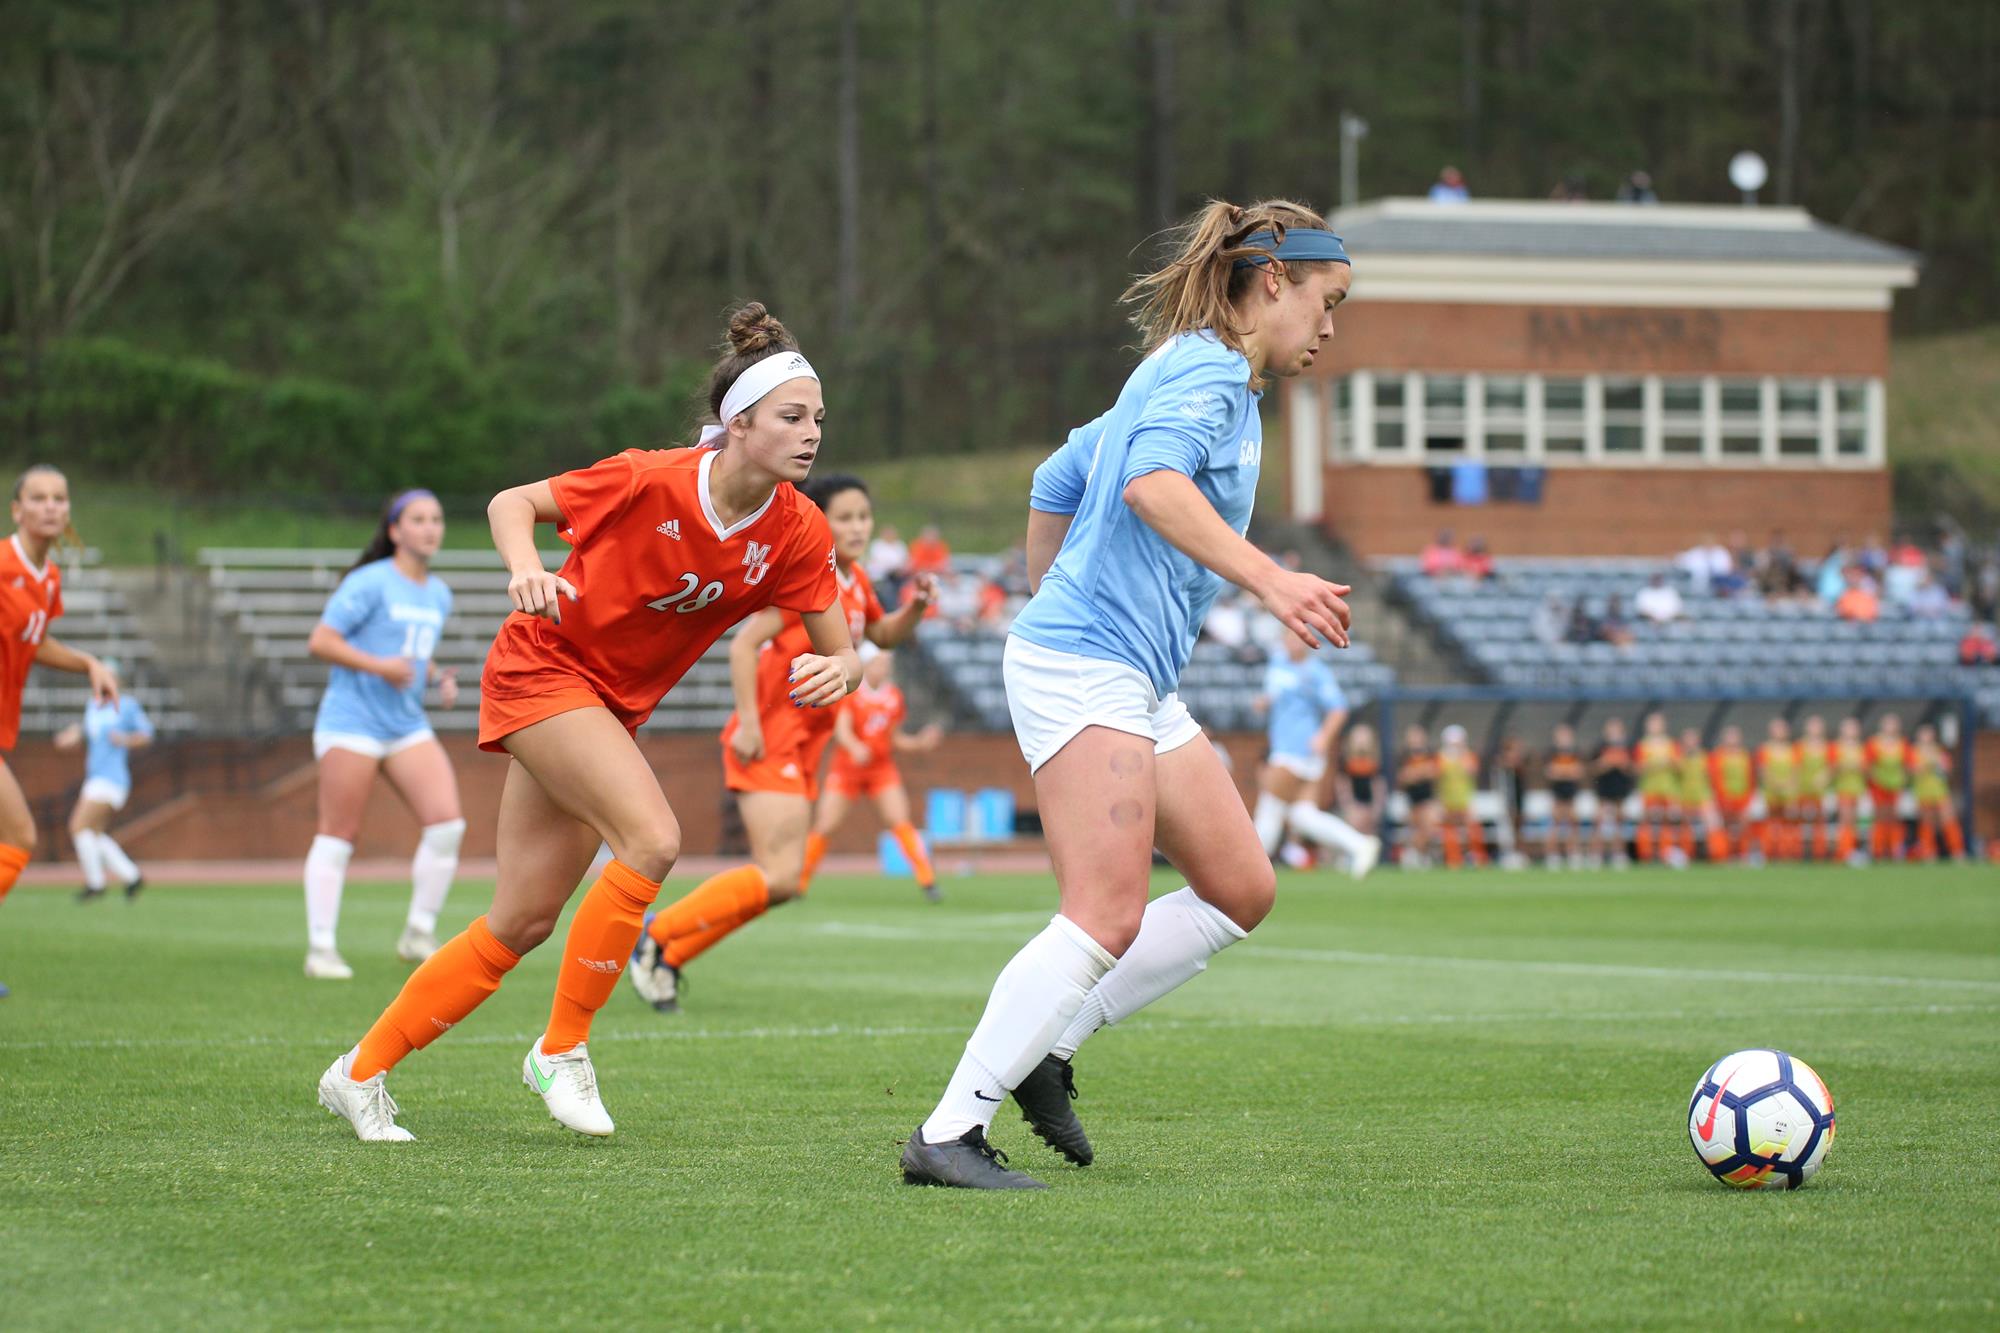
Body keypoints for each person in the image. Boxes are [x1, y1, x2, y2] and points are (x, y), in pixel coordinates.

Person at [315, 303, 857, 1142]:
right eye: (793, 417)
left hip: (606, 708)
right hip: (543, 670)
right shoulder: (648, 476)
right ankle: (561, 1051)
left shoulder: (796, 529)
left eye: (818, 418)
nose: (812, 432)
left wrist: (841, 668)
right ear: (738, 423)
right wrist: (526, 566)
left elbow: (841, 646)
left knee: (521, 920)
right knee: (652, 838)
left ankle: (356, 1072)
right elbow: (510, 502)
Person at [898, 199, 1355, 1188]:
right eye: (1327, 302)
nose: (1328, 328)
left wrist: (1051, 591)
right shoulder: (1203, 373)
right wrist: (1272, 580)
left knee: (1239, 886)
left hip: (1121, 669)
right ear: (1272, 281)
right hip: (1087, 664)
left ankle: (1045, 1050)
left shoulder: (1195, 374)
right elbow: (1148, 485)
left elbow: (1055, 475)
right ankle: (944, 1134)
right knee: (1100, 913)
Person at [628, 472, 937, 1014]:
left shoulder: (854, 579)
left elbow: (880, 635)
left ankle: (668, 954)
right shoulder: (802, 576)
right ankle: (657, 933)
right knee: (781, 876)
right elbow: (744, 645)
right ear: (819, 521)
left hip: (802, 745)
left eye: (864, 516)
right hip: (769, 737)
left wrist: (915, 608)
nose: (858, 526)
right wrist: (747, 721)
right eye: (845, 517)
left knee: (784, 884)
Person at [298, 490, 464, 978]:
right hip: (352, 722)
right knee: (338, 834)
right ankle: (321, 948)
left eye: (437, 519)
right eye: (418, 519)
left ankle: (418, 931)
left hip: (405, 723)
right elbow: (321, 640)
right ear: (395, 531)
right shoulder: (369, 582)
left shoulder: (439, 593)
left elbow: (411, 651)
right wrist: (379, 667)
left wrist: (436, 677)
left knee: (447, 824)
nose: (430, 528)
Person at [0, 465, 122, 999]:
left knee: (17, 838)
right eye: (38, 497)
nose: (50, 506)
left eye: (59, 498)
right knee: (21, 835)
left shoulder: (47, 578)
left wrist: (89, 663)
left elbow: (36, 640)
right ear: (17, 510)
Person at [799, 645, 944, 906]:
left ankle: (928, 881)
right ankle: (799, 884)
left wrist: (919, 743)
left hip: (880, 769)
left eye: (886, 662)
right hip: (847, 769)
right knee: (825, 825)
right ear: (866, 664)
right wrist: (855, 747)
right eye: (878, 662)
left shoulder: (894, 697)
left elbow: (895, 739)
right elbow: (841, 731)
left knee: (899, 820)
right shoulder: (852, 692)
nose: (883, 667)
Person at [1249, 629, 1380, 879]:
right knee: (1303, 816)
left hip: (1297, 749)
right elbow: (1276, 695)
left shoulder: (1315, 672)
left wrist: (1323, 737)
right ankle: (1360, 845)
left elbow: (1338, 709)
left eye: (1296, 638)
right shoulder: (1278, 663)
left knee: (1269, 807)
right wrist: (1265, 702)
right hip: (1284, 746)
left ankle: (1251, 872)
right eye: (1287, 637)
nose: (1290, 642)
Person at [54, 666, 153, 901]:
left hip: (112, 778)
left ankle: (96, 883)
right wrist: (73, 736)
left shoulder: (126, 705)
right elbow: (88, 733)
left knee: (78, 826)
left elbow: (147, 735)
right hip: (95, 775)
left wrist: (125, 739)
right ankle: (132, 876)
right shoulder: (94, 705)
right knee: (94, 833)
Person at [1908, 724, 1965, 863]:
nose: (1927, 737)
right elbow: (1912, 771)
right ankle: (1928, 853)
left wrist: (1940, 766)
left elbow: (1947, 771)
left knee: (1949, 819)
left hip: (1940, 791)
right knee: (1927, 823)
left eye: (1929, 734)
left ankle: (1957, 851)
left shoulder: (1939, 751)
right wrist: (1927, 764)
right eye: (1924, 734)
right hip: (1923, 792)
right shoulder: (1913, 752)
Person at [1632, 712, 1680, 864]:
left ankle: (1666, 852)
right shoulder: (1642, 745)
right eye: (1652, 723)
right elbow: (1637, 768)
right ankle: (1646, 854)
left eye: (1658, 723)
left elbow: (1679, 766)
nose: (1655, 727)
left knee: (1667, 821)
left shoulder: (1671, 744)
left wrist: (1669, 762)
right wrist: (1652, 764)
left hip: (1667, 789)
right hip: (1649, 789)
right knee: (1648, 821)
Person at [1435, 724, 1485, 869]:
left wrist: (1460, 757)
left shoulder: (1468, 756)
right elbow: (1437, 776)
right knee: (1449, 830)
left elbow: (1472, 771)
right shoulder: (1441, 757)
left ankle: (1478, 858)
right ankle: (1453, 860)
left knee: (1473, 828)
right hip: (1447, 799)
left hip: (1465, 799)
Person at [1675, 729, 1728, 866]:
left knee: (1713, 825)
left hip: (1703, 798)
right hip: (1685, 799)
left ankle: (1718, 855)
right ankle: (1686, 855)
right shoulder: (1678, 758)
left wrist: (1714, 798)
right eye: (1687, 740)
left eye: (1692, 739)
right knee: (1684, 828)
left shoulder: (1706, 757)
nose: (1690, 743)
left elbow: (1713, 779)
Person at [1864, 713, 1912, 862]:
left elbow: (1908, 765)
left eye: (1893, 724)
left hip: (1895, 787)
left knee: (1893, 817)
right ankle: (1877, 850)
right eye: (1888, 724)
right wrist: (1876, 779)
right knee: (1880, 816)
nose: (1890, 727)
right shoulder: (1874, 742)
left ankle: (1895, 850)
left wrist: (1903, 779)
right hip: (1878, 786)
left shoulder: (1902, 743)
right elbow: (1868, 765)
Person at [1590, 717, 1635, 868]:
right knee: (1599, 822)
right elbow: (1594, 768)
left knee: (1619, 823)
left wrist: (1622, 763)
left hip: (1620, 788)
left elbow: (1632, 768)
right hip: (1604, 788)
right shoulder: (1600, 746)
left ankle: (1619, 855)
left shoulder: (1627, 746)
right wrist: (1607, 763)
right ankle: (1596, 855)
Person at [1756, 718, 1803, 861]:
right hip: (1771, 792)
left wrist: (1788, 785)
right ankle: (1769, 852)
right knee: (1771, 823)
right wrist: (1776, 784)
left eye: (1781, 729)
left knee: (1789, 824)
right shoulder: (1764, 749)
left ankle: (1789, 852)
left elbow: (1796, 771)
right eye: (1776, 729)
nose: (1779, 732)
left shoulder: (1793, 750)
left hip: (1789, 792)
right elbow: (1762, 771)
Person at [1540, 724, 1586, 869]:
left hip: (1571, 792)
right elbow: (1550, 772)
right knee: (1555, 823)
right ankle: (1552, 855)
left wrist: (1562, 771)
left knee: (1573, 823)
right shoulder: (1551, 753)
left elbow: (1578, 772)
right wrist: (1566, 772)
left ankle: (1573, 853)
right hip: (1556, 792)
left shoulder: (1576, 752)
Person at [1396, 723, 1442, 868]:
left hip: (1427, 799)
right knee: (1417, 830)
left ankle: (1415, 855)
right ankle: (1417, 856)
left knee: (1429, 828)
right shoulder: (1403, 757)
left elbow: (1434, 772)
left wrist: (1415, 773)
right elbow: (1403, 778)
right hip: (1411, 801)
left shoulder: (1431, 754)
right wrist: (1420, 773)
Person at [1709, 725, 1756, 864]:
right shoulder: (1717, 756)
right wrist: (1721, 799)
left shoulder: (1745, 756)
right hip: (1722, 800)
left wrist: (1747, 800)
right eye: (1729, 736)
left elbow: (1750, 780)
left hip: (1742, 799)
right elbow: (1715, 779)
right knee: (1721, 827)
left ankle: (1743, 854)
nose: (1732, 739)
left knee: (1743, 827)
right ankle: (1722, 856)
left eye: (1734, 736)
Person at [1333, 722, 1385, 840]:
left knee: (1369, 832)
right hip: (1353, 808)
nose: (1361, 741)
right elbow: (1342, 787)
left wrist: (1375, 808)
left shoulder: (1375, 765)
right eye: (1358, 737)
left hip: (1370, 807)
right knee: (1354, 824)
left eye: (1364, 737)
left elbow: (1379, 787)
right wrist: (1350, 807)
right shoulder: (1346, 764)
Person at [1829, 717, 1870, 864]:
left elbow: (1866, 770)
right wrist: (1845, 767)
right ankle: (1845, 851)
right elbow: (1832, 768)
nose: (1851, 731)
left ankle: (1850, 850)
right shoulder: (1837, 746)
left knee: (1853, 822)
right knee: (1845, 820)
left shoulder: (1860, 747)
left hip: (1857, 789)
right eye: (1849, 728)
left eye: (1854, 728)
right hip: (1843, 788)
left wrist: (1859, 768)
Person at [1796, 715, 1833, 860]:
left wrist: (1824, 777)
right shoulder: (1800, 746)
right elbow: (1796, 768)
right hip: (1803, 790)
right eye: (1812, 725)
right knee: (1802, 822)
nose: (1815, 729)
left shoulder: (1827, 746)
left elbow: (1831, 766)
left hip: (1820, 791)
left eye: (1817, 726)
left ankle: (1819, 852)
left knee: (1819, 822)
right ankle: (1802, 852)